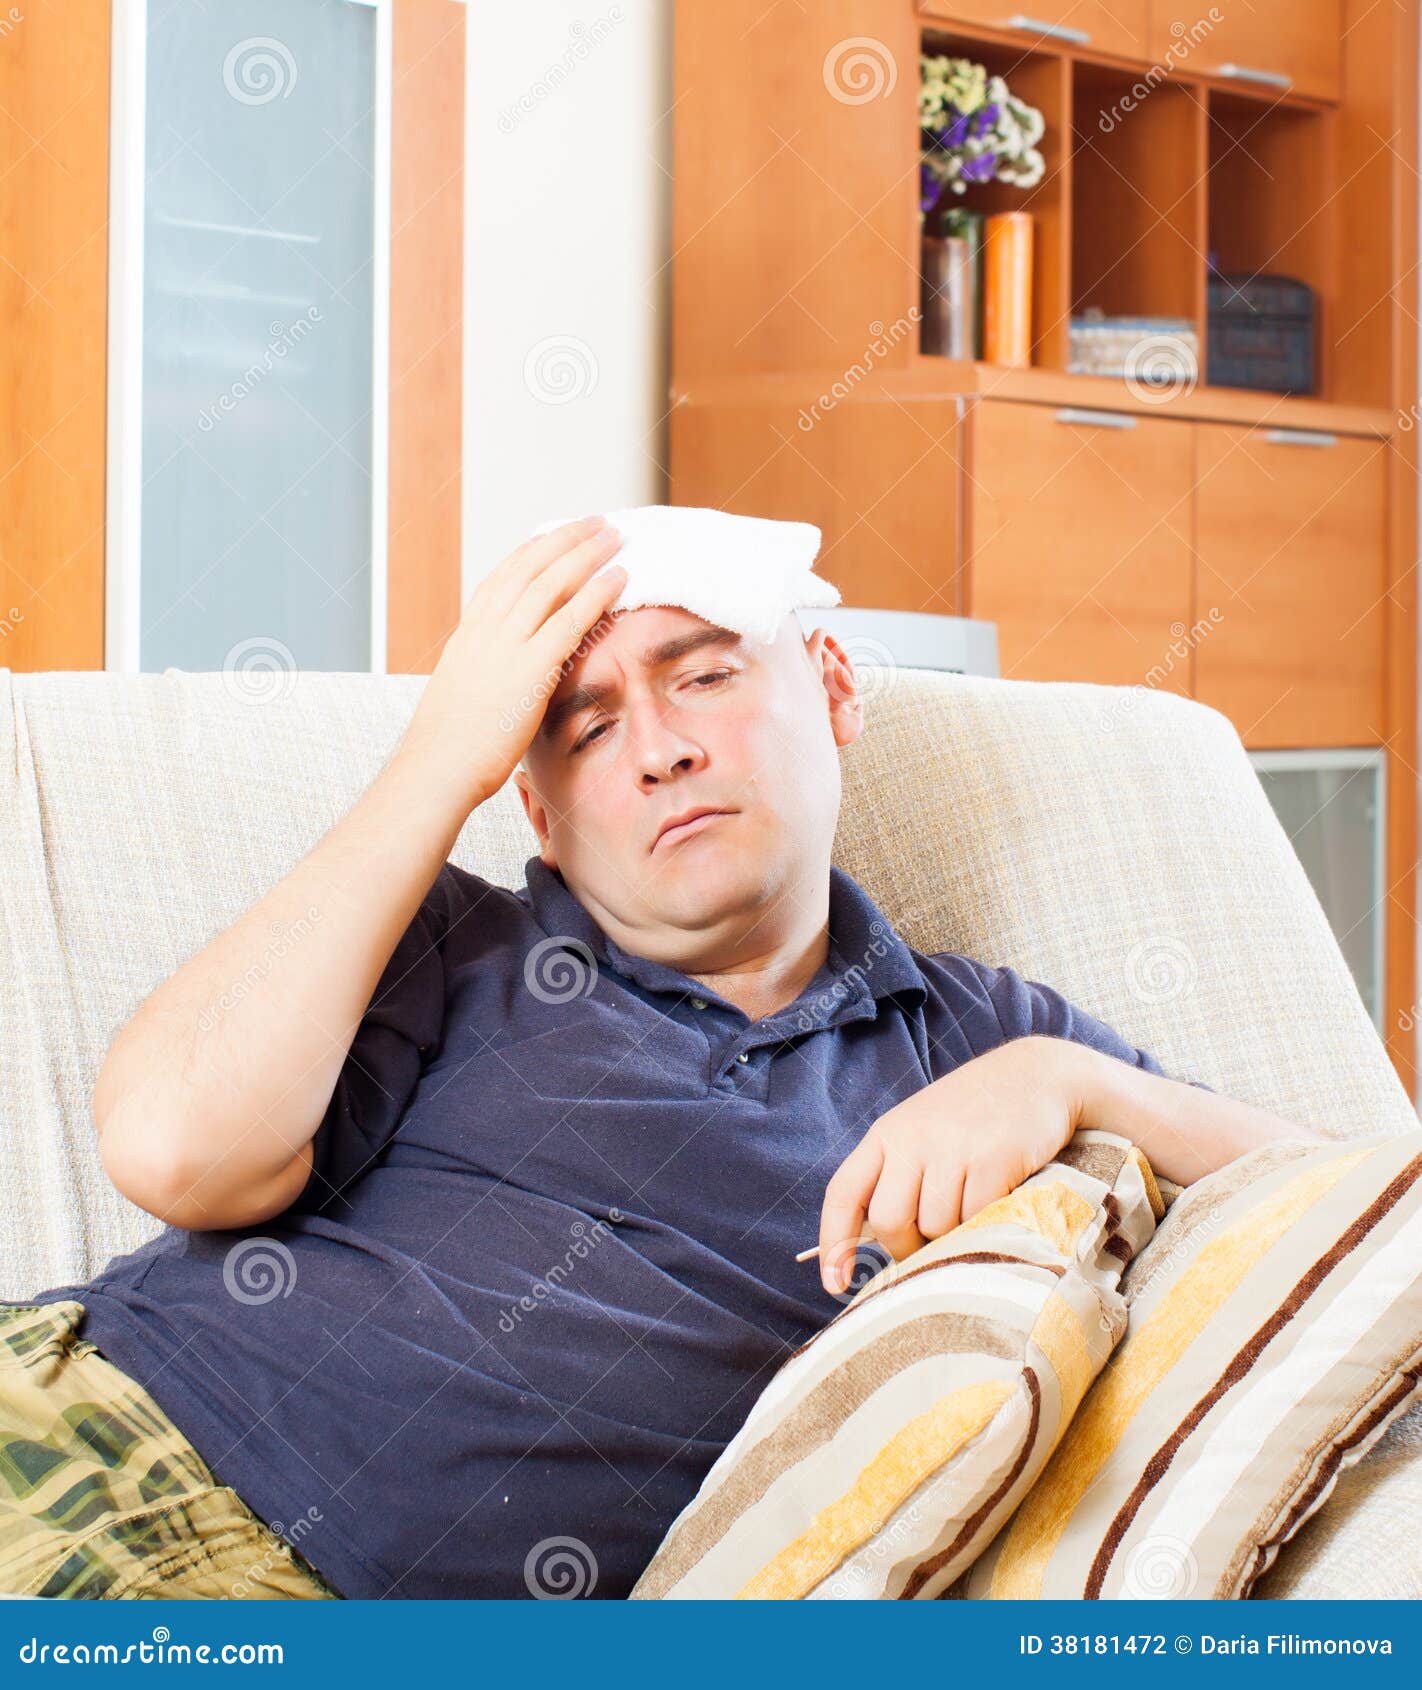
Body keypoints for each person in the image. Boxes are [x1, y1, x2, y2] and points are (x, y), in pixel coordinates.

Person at [1, 515, 1313, 1600]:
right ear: (540, 813)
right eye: (585, 728)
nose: (661, 749)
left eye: (704, 677)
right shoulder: (451, 941)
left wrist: (1075, 1082)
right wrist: (440, 757)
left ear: (834, 686)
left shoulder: (973, 1035)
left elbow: (1349, 1194)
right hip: (86, 1426)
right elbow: (174, 1149)